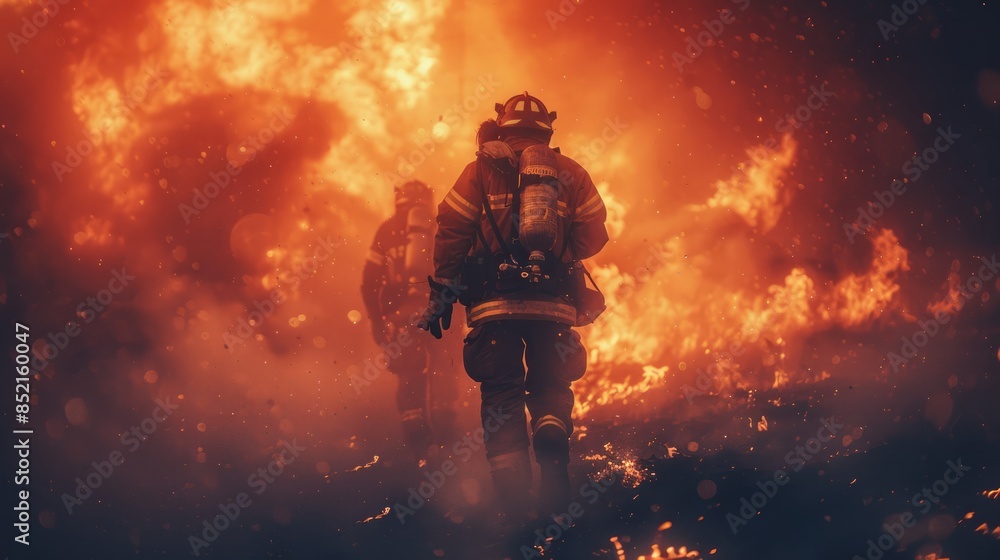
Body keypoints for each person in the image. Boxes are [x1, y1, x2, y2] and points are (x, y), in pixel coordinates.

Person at [418, 92, 610, 523]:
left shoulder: (478, 171)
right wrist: (558, 250)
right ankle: (551, 444)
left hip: (493, 307)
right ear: (548, 130)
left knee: (501, 395)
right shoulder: (571, 172)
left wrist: (444, 287)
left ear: (501, 127)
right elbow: (594, 236)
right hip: (554, 308)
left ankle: (516, 508)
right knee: (550, 385)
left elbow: (451, 228)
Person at [362, 180, 455, 461]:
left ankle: (419, 451)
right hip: (441, 314)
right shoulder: (442, 226)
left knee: (409, 377)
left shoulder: (387, 230)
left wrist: (377, 320)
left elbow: (369, 282)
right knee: (443, 373)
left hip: (402, 318)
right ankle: (449, 448)